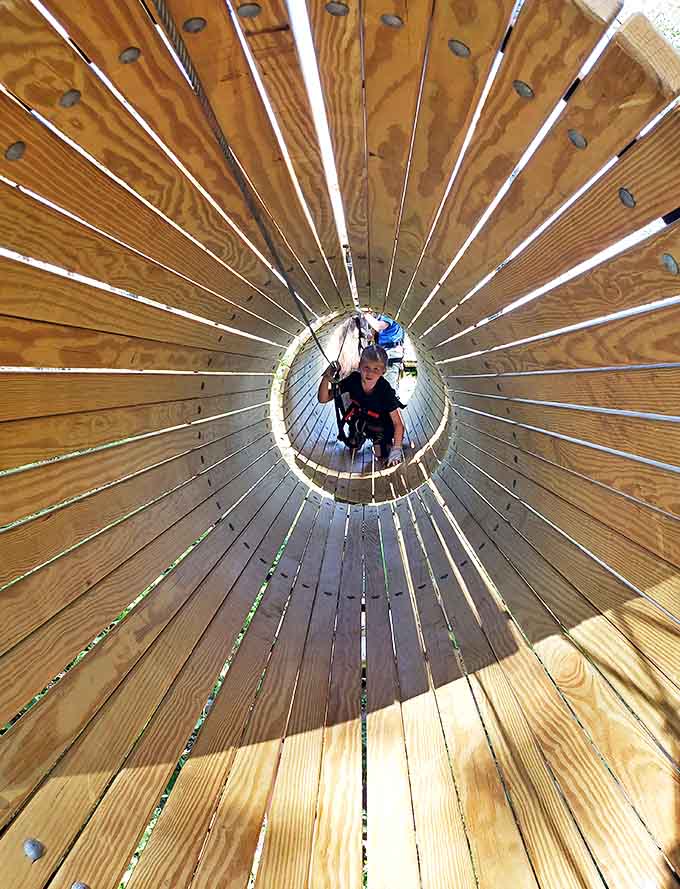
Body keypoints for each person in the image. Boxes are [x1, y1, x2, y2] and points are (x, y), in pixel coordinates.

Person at [318, 345, 405, 466]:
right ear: (360, 366)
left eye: (376, 369)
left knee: (381, 457)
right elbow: (323, 398)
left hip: (379, 427)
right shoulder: (353, 380)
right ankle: (359, 437)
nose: (370, 372)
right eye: (366, 367)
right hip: (360, 423)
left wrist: (396, 449)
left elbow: (398, 423)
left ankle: (381, 443)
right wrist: (327, 377)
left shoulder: (385, 390)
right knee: (352, 448)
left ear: (383, 371)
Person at [362, 311, 405, 397]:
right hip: (388, 353)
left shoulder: (389, 314)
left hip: (391, 354)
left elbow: (379, 326)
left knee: (389, 388)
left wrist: (365, 314)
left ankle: (390, 405)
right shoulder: (391, 316)